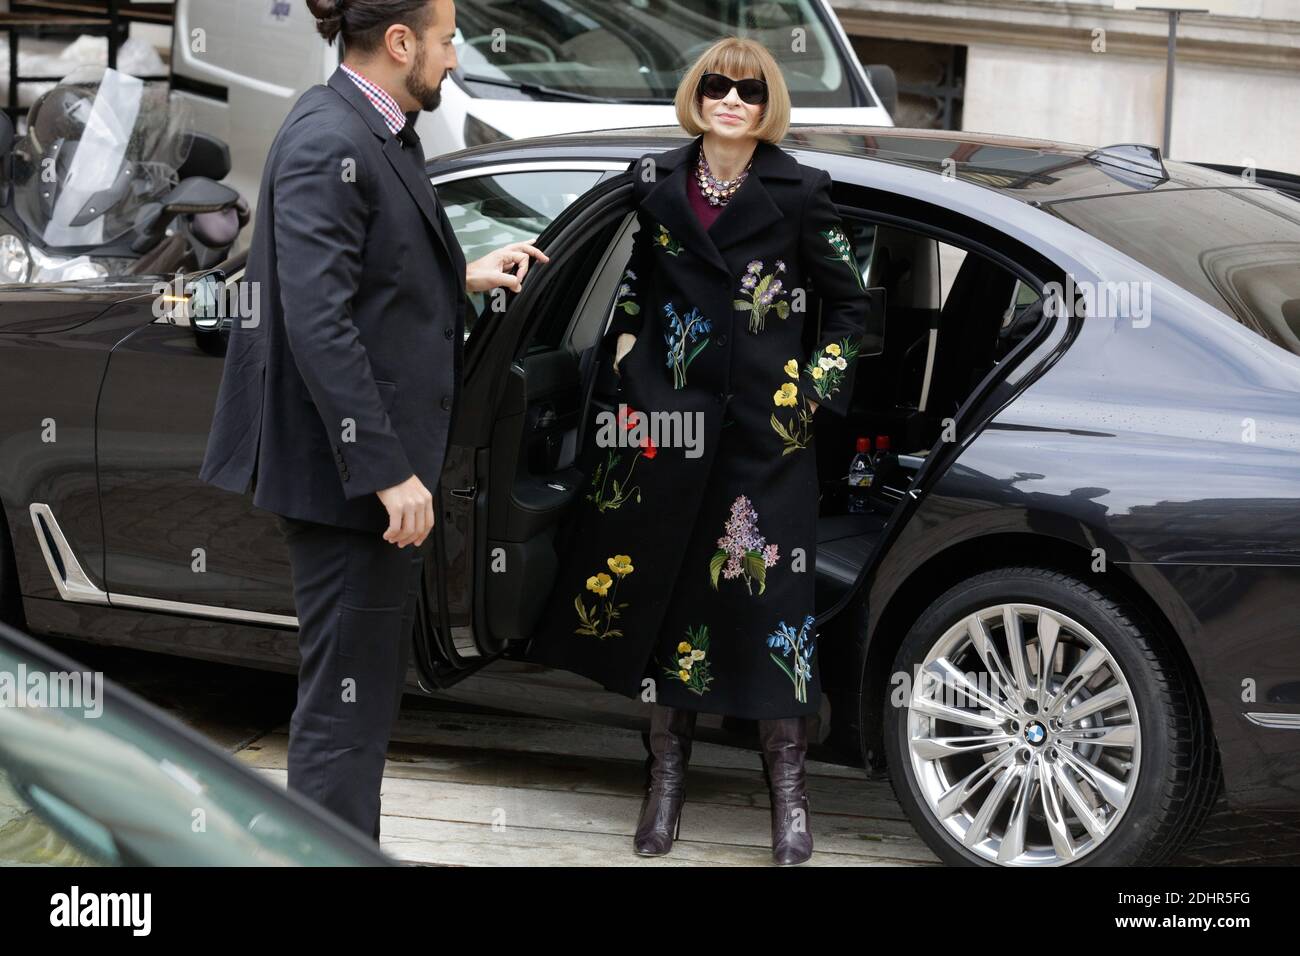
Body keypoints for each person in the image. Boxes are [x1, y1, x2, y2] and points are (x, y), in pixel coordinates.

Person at [199, 0, 546, 841]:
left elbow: (364, 272)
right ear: (401, 44)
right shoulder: (332, 139)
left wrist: (459, 274)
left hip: (355, 481)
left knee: (360, 695)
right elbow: (320, 325)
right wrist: (389, 472)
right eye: (447, 37)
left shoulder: (369, 124)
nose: (456, 56)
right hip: (346, 486)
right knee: (344, 710)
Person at [526, 36, 874, 865]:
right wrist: (627, 375)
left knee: (769, 612)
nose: (731, 100)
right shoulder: (659, 189)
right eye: (718, 86)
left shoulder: (801, 193)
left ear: (766, 106)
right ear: (699, 93)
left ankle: (789, 799)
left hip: (767, 441)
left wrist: (809, 395)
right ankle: (665, 786)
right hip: (668, 433)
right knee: (671, 606)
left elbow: (852, 310)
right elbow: (640, 295)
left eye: (749, 91)